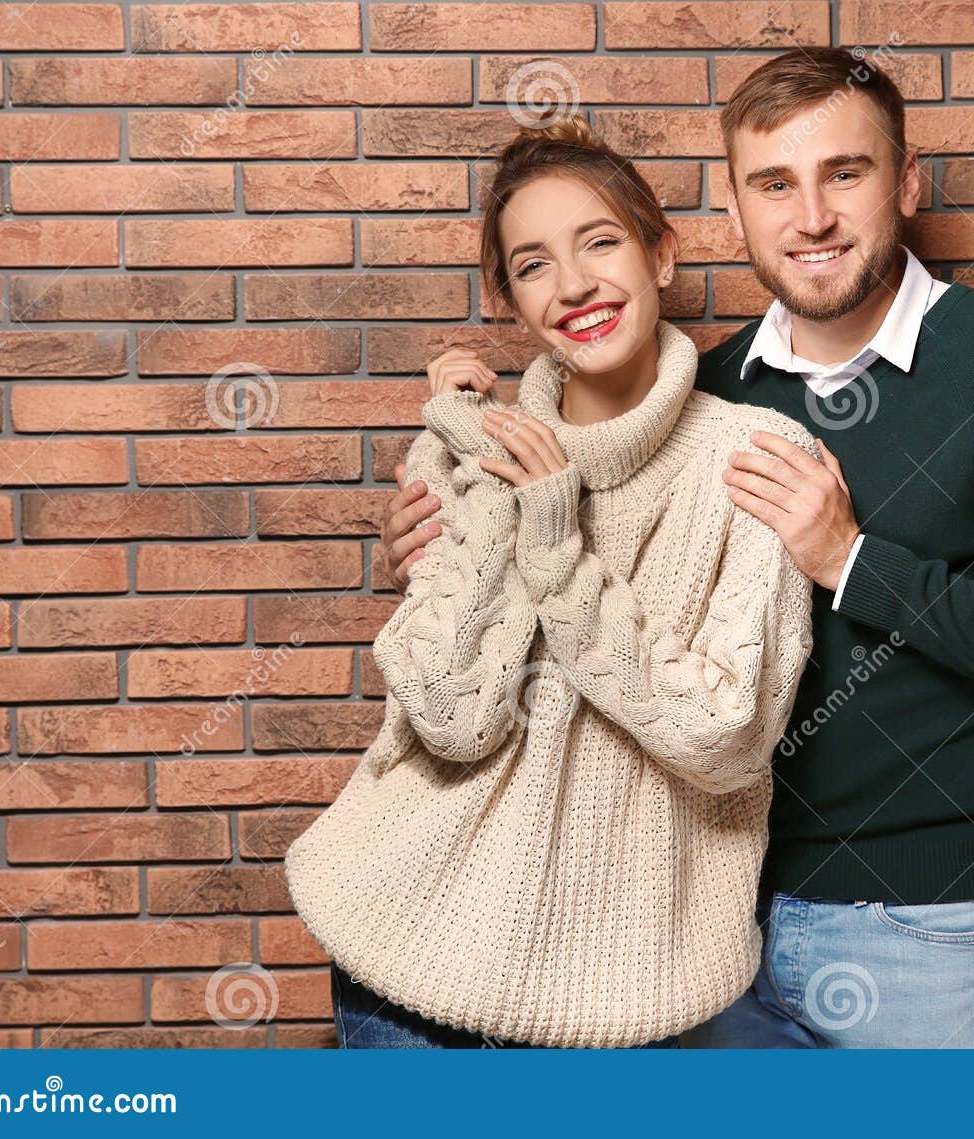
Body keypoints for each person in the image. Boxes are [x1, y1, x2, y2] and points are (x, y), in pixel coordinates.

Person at [380, 50, 974, 1049]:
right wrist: (449, 519)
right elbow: (577, 587)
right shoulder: (707, 392)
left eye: (845, 173)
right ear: (733, 212)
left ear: (906, 181)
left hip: (917, 928)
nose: (812, 217)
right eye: (772, 184)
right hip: (690, 920)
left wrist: (852, 559)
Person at [285, 115, 820, 1049]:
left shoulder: (754, 460)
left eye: (600, 242)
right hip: (407, 962)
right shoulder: (469, 450)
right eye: (533, 265)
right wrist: (483, 478)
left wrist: (557, 547)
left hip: (626, 998)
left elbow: (727, 737)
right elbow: (452, 717)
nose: (574, 285)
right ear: (510, 298)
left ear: (662, 254)